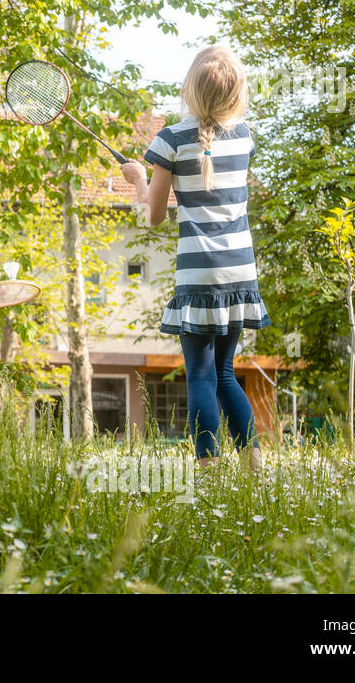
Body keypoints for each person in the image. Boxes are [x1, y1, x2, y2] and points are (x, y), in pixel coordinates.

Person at [130, 45, 269, 472]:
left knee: (202, 375)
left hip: (200, 270)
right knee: (226, 370)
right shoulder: (244, 136)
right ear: (235, 93)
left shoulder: (170, 138)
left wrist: (138, 176)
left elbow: (152, 216)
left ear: (190, 87)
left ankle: (208, 473)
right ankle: (254, 467)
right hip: (239, 270)